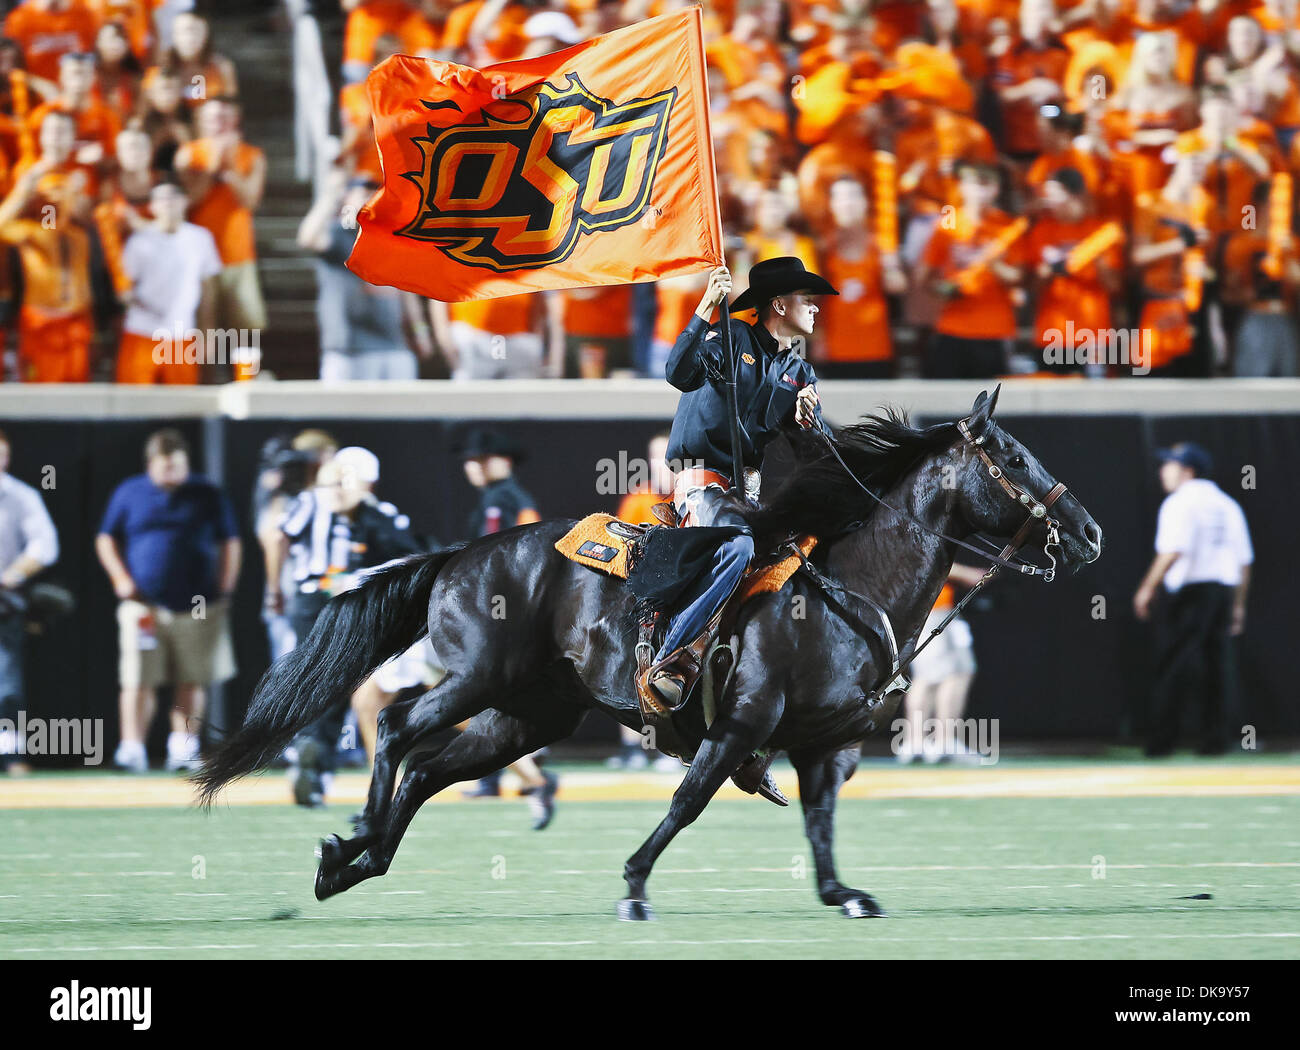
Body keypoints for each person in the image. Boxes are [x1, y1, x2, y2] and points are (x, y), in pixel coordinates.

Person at [637, 256, 833, 803]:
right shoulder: (729, 337)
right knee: (738, 545)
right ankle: (676, 655)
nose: (816, 306)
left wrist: (812, 427)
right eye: (806, 297)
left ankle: (751, 732)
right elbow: (677, 374)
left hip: (747, 494)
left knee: (800, 564)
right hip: (700, 482)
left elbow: (810, 455)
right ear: (779, 305)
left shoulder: (800, 372)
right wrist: (703, 307)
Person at [272, 446, 425, 805]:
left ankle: (312, 751)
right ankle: (317, 754)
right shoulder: (365, 509)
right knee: (338, 681)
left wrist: (278, 584)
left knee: (323, 679)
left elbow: (278, 535)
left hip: (316, 599)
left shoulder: (319, 504)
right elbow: (410, 557)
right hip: (346, 603)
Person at [95, 429, 240, 773]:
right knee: (137, 678)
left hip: (198, 605)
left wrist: (225, 586)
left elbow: (229, 541)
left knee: (192, 677)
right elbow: (106, 538)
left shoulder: (206, 492)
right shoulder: (130, 492)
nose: (173, 474)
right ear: (151, 465)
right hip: (143, 605)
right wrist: (120, 577)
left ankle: (184, 747)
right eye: (166, 467)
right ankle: (132, 748)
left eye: (179, 466)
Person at [455, 427, 557, 808]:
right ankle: (508, 769)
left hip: (503, 608)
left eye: (481, 458)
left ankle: (524, 770)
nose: (474, 466)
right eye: (470, 460)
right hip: (517, 605)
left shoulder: (502, 499)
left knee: (476, 691)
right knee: (493, 694)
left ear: (504, 460)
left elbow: (497, 555)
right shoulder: (503, 497)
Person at [1133, 442, 1253, 757]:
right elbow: (1244, 561)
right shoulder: (1227, 504)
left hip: (1191, 592)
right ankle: (1217, 741)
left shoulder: (1180, 502)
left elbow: (1172, 550)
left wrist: (1147, 587)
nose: (1163, 471)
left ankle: (1161, 742)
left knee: (1174, 664)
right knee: (1218, 666)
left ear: (1187, 470)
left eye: (1169, 465)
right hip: (1222, 593)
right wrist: (1238, 605)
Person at [116, 178, 222, 383]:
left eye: (173, 197)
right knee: (133, 399)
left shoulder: (200, 238)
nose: (167, 203)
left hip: (181, 333)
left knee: (181, 403)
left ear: (185, 201)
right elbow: (125, 287)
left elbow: (208, 288)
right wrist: (137, 303)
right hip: (143, 330)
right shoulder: (139, 241)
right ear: (152, 206)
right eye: (160, 199)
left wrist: (207, 330)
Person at [0, 429, 59, 775]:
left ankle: (9, 756)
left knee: (6, 684)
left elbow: (45, 544)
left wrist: (14, 573)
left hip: (5, 601)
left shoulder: (21, 496)